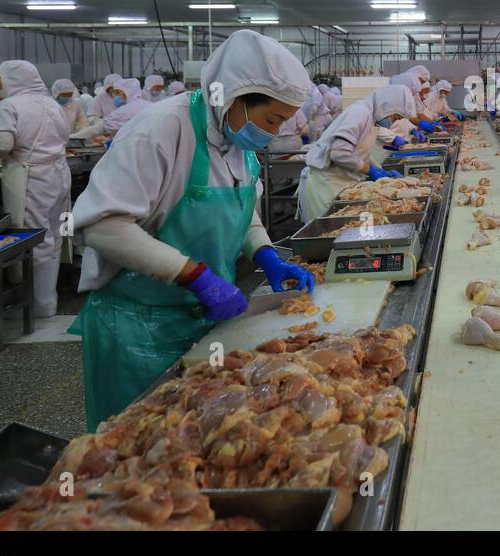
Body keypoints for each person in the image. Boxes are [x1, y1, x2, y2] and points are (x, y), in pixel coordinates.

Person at [69, 30, 316, 430]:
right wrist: (196, 277)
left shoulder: (239, 141)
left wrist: (265, 253)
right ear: (236, 97)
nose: (273, 132)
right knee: (136, 452)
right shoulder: (161, 129)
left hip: (199, 321)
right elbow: (103, 225)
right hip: (137, 328)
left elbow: (242, 208)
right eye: (271, 119)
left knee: (192, 446)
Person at [0, 62, 72, 318]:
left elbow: (4, 143)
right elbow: (66, 135)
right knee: (57, 233)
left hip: (33, 177)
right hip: (60, 174)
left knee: (35, 238)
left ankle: (38, 305)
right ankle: (48, 301)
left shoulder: (8, 105)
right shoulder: (51, 103)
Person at [298, 83, 412, 222]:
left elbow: (358, 152)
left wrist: (380, 171)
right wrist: (370, 170)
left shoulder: (369, 117)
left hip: (340, 183)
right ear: (387, 105)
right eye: (395, 117)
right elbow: (339, 153)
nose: (393, 121)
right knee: (331, 234)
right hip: (326, 185)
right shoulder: (360, 112)